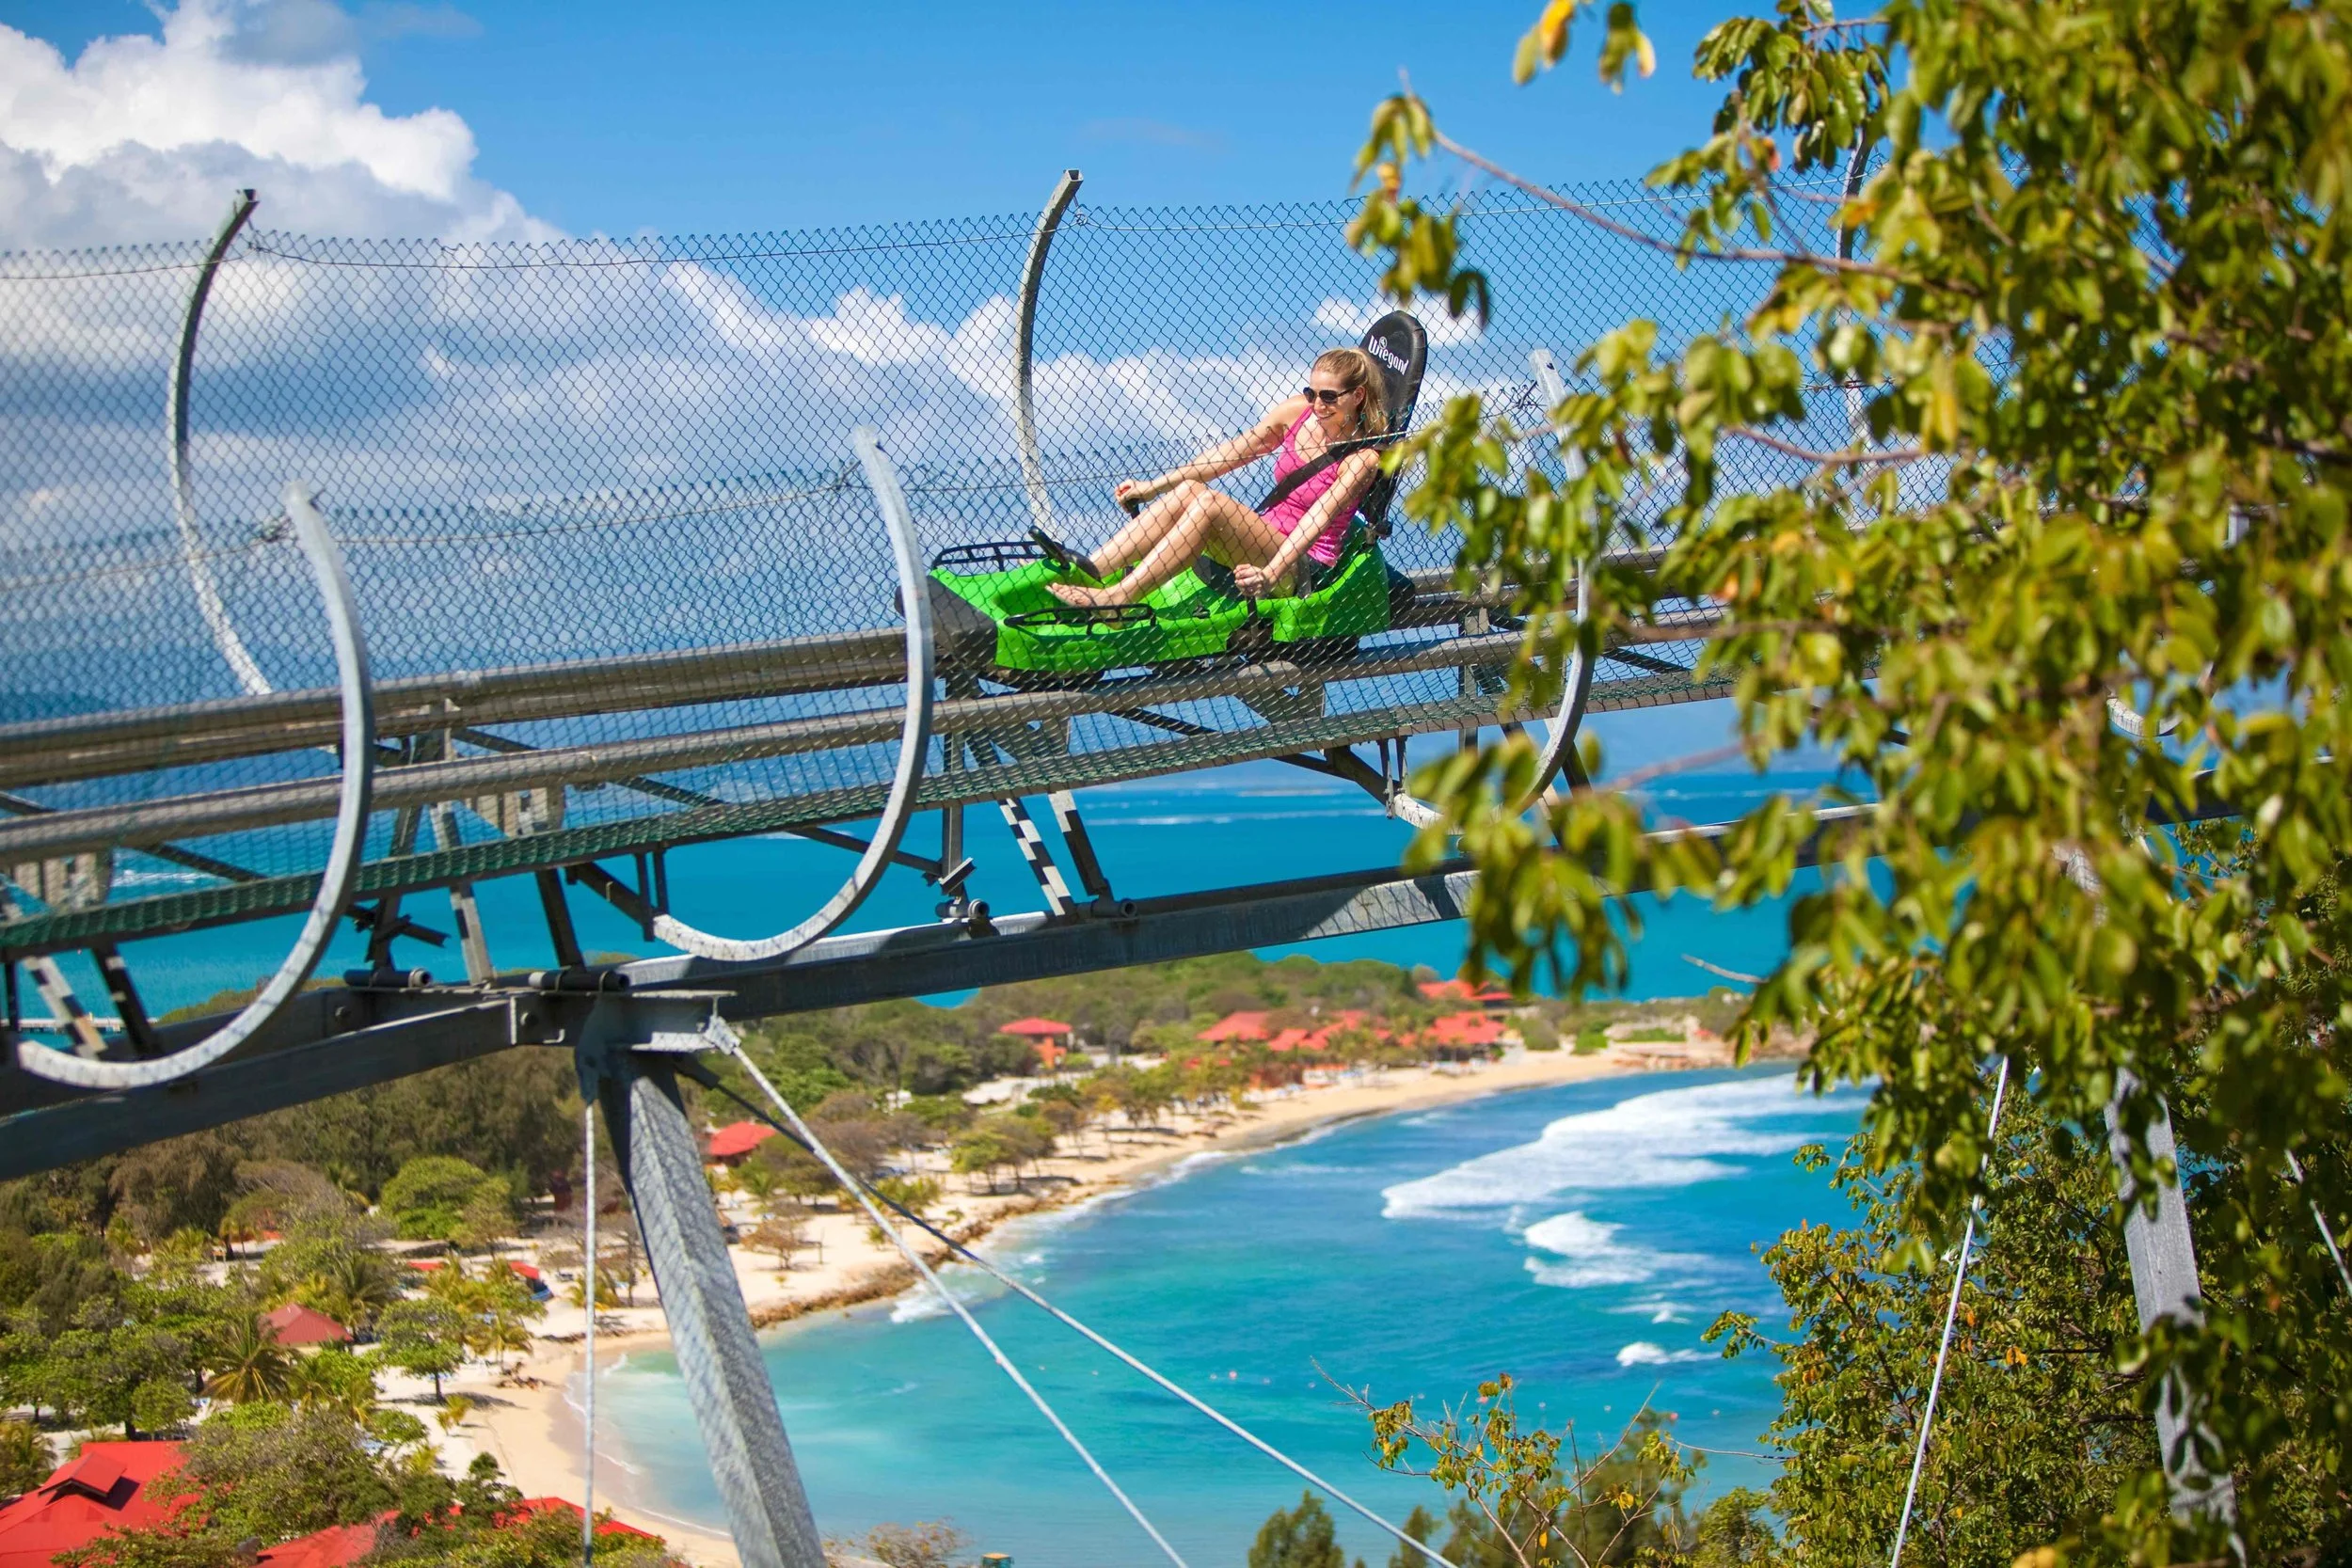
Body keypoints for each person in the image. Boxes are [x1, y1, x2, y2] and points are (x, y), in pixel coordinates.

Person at [1045, 347, 1390, 609]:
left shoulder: (1362, 459)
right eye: (1311, 393)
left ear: (1357, 396)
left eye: (1329, 397)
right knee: (1192, 490)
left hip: (1300, 565)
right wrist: (1151, 488)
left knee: (1208, 504)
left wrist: (1270, 574)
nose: (1317, 405)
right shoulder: (1296, 414)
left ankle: (1116, 600)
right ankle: (1091, 570)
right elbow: (1226, 457)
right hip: (1264, 539)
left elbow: (1317, 519)